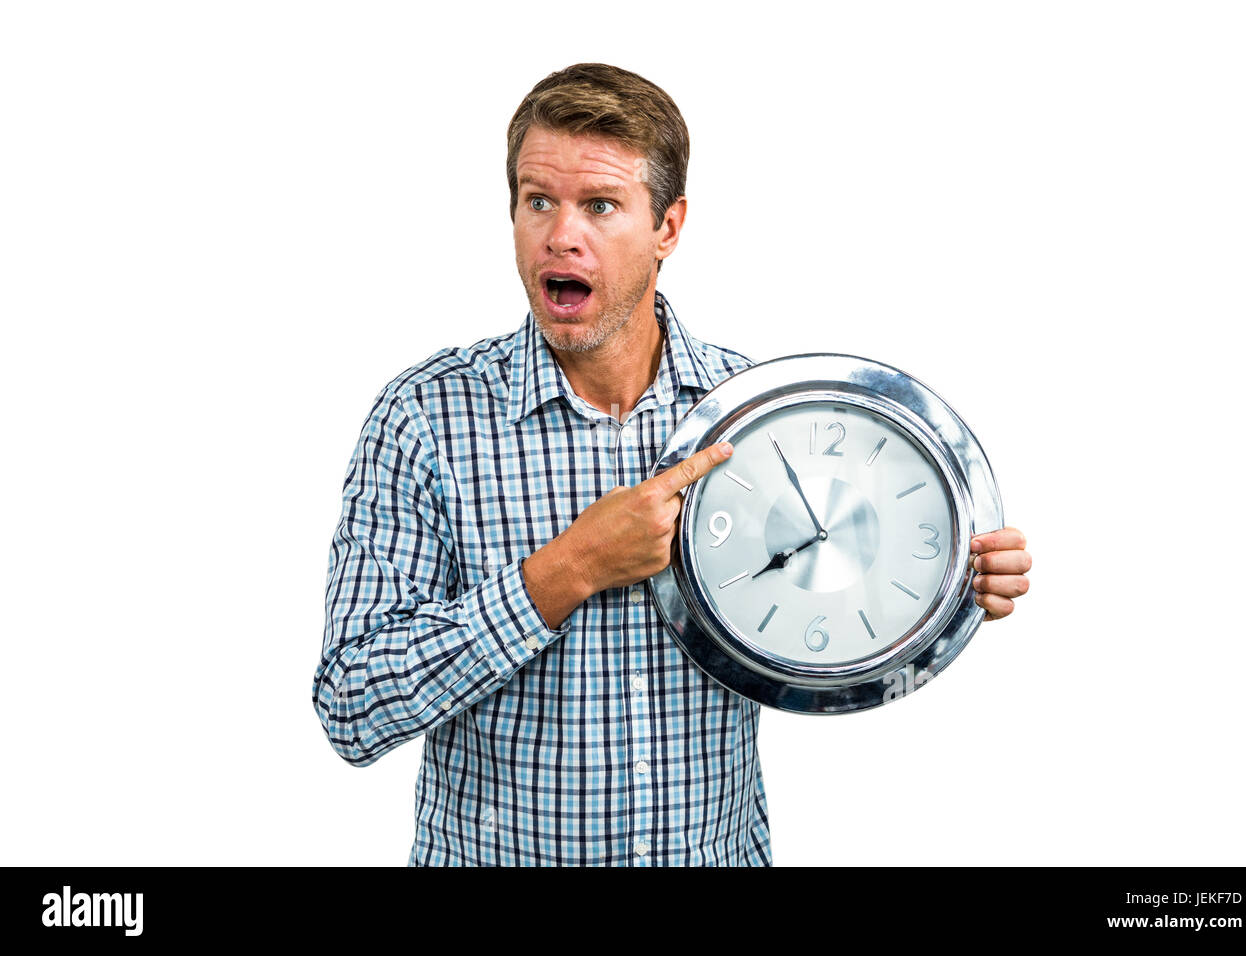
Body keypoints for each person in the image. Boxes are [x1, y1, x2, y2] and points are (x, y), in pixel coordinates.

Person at [311, 63, 1033, 867]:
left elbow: (831, 585)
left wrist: (952, 590)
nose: (560, 235)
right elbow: (353, 706)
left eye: (600, 206)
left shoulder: (756, 414)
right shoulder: (424, 419)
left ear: (669, 226)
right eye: (537, 200)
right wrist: (568, 568)